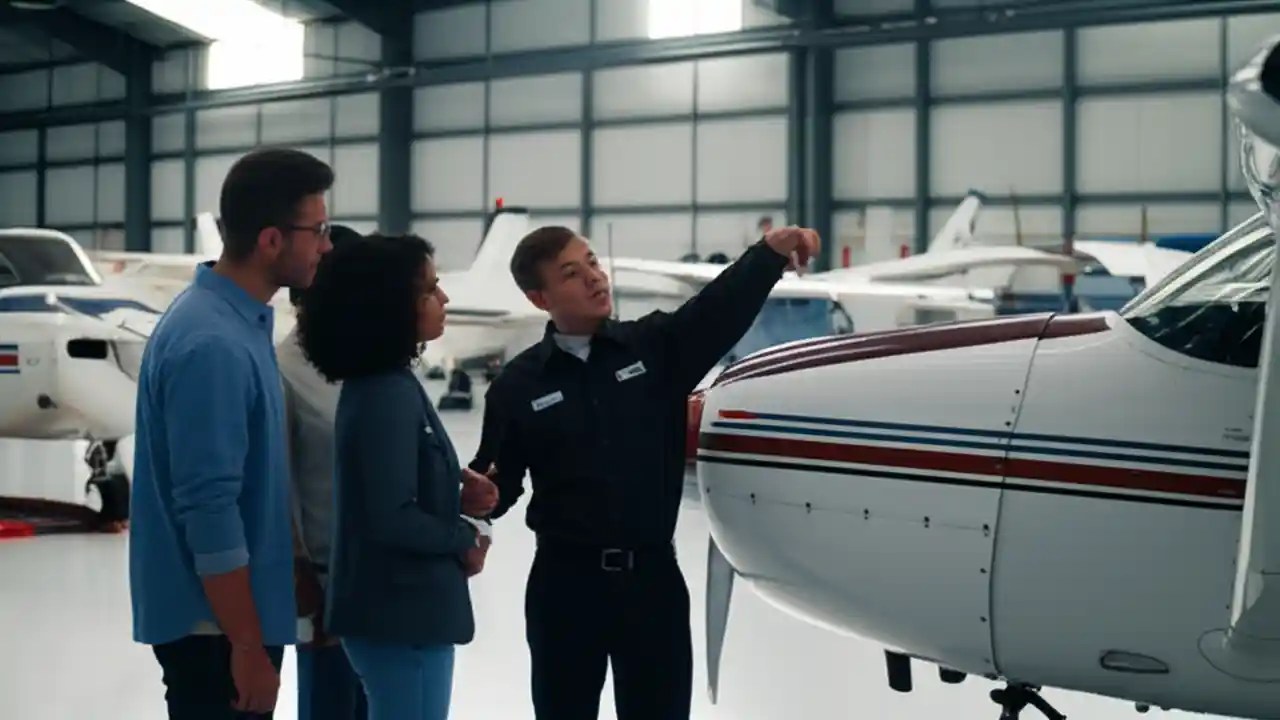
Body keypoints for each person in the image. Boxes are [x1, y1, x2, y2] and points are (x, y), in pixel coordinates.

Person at [468, 223, 819, 719]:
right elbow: (498, 484)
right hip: (564, 590)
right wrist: (482, 498)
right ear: (538, 297)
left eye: (592, 262)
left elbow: (716, 310)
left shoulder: (654, 348)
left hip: (652, 584)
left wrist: (767, 255)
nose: (595, 278)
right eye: (573, 273)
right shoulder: (517, 386)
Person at [129, 147, 335, 719]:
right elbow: (209, 509)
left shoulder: (234, 324)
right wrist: (246, 646)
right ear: (271, 240)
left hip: (231, 620)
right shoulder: (212, 344)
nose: (325, 245)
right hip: (215, 631)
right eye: (316, 230)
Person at [295, 233, 496, 720]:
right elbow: (389, 516)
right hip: (400, 615)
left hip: (405, 613)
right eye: (429, 289)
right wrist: (462, 537)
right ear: (389, 307)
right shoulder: (385, 394)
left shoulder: (390, 383)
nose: (444, 299)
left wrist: (451, 488)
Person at [275, 223, 368, 720]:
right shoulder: (285, 371)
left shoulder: (370, 363)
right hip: (327, 587)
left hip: (385, 581)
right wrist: (298, 575)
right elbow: (279, 485)